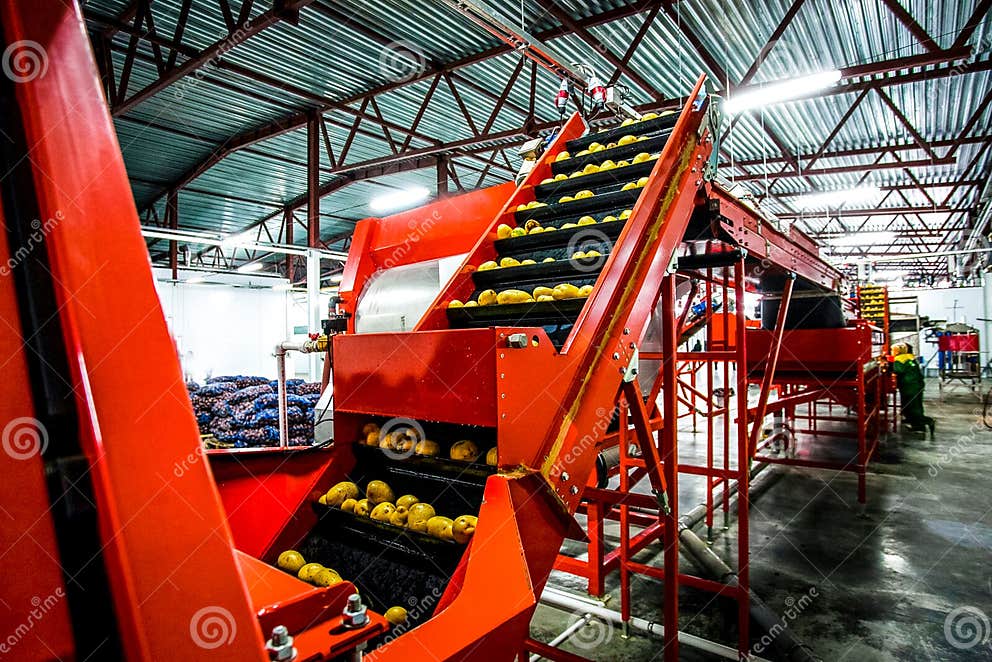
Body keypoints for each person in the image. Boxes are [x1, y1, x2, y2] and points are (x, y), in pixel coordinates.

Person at [891, 342, 935, 437]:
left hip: (909, 386)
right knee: (917, 406)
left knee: (912, 407)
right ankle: (914, 422)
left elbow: (898, 371)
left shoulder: (899, 359)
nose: (891, 352)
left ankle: (925, 423)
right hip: (917, 384)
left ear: (897, 351)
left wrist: (888, 367)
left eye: (892, 350)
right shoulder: (909, 357)